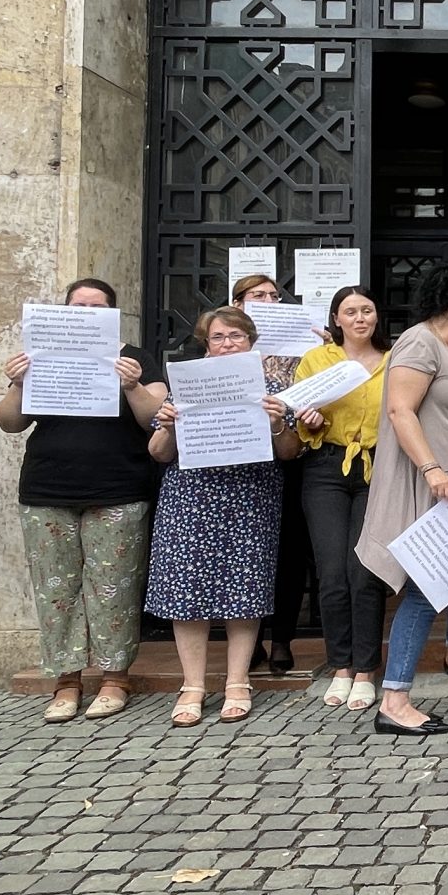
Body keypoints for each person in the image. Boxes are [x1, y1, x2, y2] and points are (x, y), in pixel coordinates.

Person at [0, 277, 166, 724]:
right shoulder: (41, 357)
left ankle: (114, 678)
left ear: (113, 314)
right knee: (56, 590)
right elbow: (9, 422)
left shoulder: (135, 357)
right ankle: (66, 680)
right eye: (79, 306)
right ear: (64, 312)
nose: (87, 313)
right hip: (48, 487)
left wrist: (132, 385)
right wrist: (18, 383)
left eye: (98, 307)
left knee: (115, 586)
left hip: (118, 487)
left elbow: (155, 419)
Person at [357, 264, 448, 737]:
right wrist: (432, 468)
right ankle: (394, 701)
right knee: (425, 588)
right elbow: (401, 410)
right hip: (437, 489)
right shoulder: (419, 342)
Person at [146, 306, 302, 725]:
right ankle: (192, 685)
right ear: (206, 343)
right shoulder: (187, 383)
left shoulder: (272, 387)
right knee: (186, 589)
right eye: (218, 337)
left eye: (236, 336)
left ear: (251, 342)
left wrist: (277, 424)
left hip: (250, 496)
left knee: (244, 588)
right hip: (191, 496)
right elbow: (158, 453)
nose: (228, 344)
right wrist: (168, 425)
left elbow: (290, 452)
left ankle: (237, 681)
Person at [291, 285, 390, 713]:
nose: (359, 318)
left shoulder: (393, 360)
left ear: (377, 316)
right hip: (326, 467)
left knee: (364, 571)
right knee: (331, 573)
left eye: (366, 310)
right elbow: (300, 418)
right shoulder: (318, 360)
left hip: (378, 467)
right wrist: (310, 421)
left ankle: (366, 670)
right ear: (336, 319)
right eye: (350, 312)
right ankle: (341, 666)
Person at [233, 270, 320, 676]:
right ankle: (247, 642)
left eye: (273, 296)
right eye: (258, 296)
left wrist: (325, 350)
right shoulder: (227, 346)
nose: (268, 302)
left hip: (288, 459)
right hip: (239, 465)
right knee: (243, 555)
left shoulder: (302, 349)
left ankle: (282, 637)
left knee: (288, 551)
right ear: (238, 305)